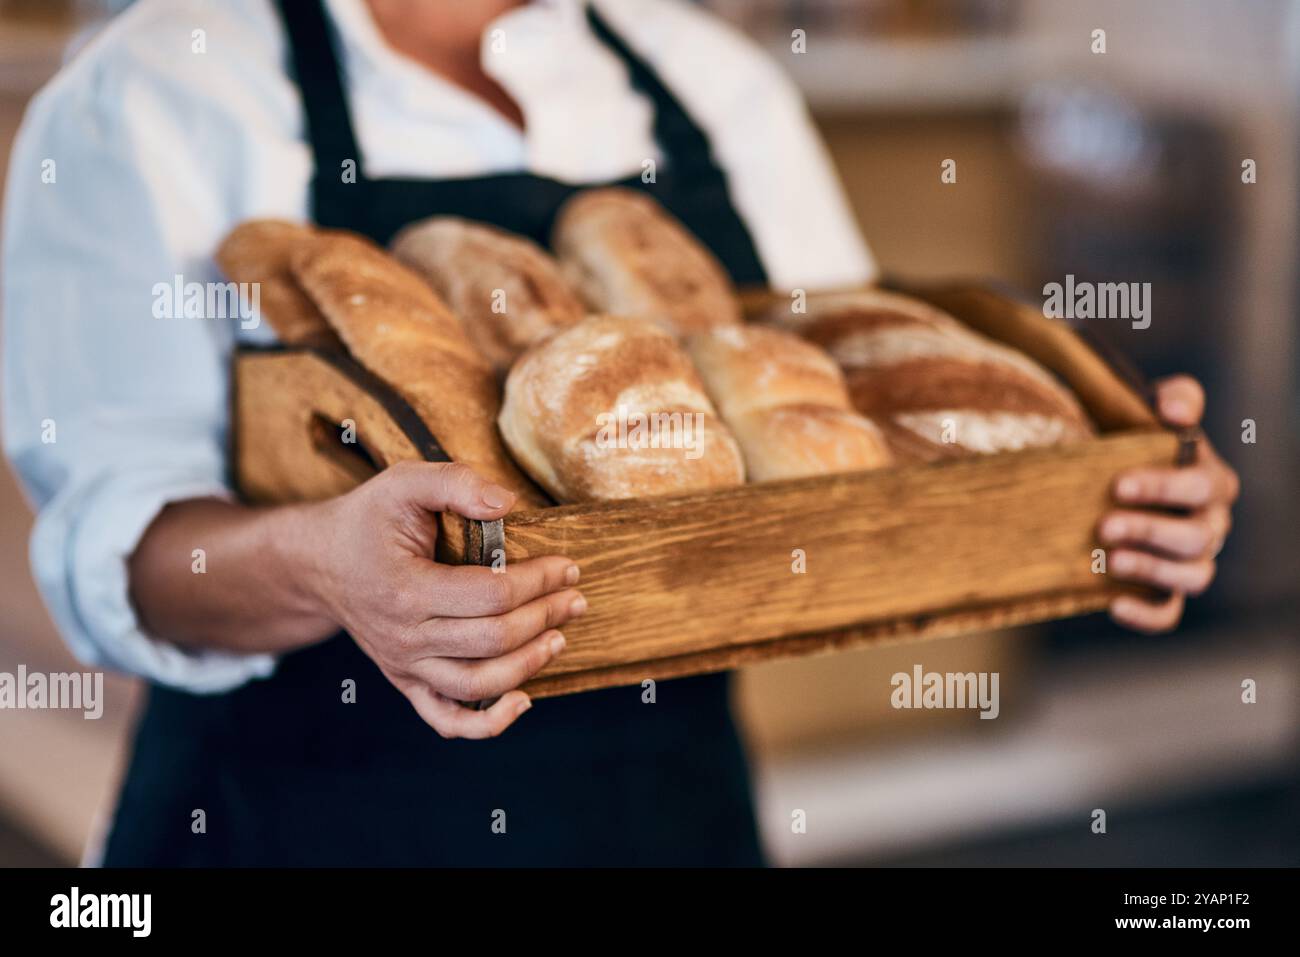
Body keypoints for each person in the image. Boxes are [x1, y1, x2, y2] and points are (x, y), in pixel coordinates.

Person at [1, 0, 1239, 866]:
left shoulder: (702, 69)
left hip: (667, 808)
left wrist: (1092, 498)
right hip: (300, 814)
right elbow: (124, 560)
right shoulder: (158, 84)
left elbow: (839, 440)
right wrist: (328, 562)